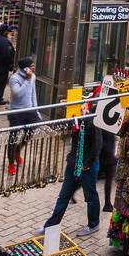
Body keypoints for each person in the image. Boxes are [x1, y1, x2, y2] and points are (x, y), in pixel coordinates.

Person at [43, 100, 101, 237]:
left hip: (87, 166)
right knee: (64, 196)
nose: (80, 111)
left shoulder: (92, 122)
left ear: (86, 107)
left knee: (90, 196)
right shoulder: (75, 121)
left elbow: (97, 145)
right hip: (73, 163)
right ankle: (50, 225)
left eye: (82, 108)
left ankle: (93, 224)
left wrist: (87, 164)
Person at [7, 56, 41, 171]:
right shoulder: (14, 78)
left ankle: (18, 149)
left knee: (30, 132)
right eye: (31, 66)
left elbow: (33, 93)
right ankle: (11, 162)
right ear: (25, 68)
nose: (33, 67)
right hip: (16, 112)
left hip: (29, 110)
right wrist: (27, 80)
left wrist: (36, 109)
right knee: (13, 137)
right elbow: (17, 94)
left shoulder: (33, 76)